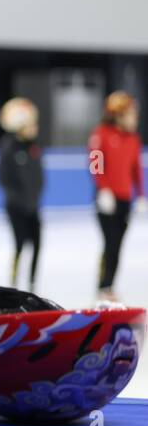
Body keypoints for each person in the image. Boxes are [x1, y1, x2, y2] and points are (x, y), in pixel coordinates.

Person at [89, 91, 144, 302]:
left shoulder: (133, 139)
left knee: (118, 244)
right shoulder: (100, 134)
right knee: (110, 242)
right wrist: (103, 189)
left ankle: (110, 285)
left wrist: (140, 194)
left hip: (124, 200)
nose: (135, 118)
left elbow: (136, 169)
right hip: (105, 199)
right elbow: (95, 164)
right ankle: (103, 286)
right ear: (118, 115)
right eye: (131, 114)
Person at [0, 97, 44, 291]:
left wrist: (34, 199)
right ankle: (14, 281)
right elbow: (3, 179)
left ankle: (32, 282)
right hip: (16, 208)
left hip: (33, 206)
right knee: (20, 246)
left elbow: (39, 177)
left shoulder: (34, 148)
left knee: (38, 244)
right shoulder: (8, 147)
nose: (35, 128)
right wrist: (19, 200)